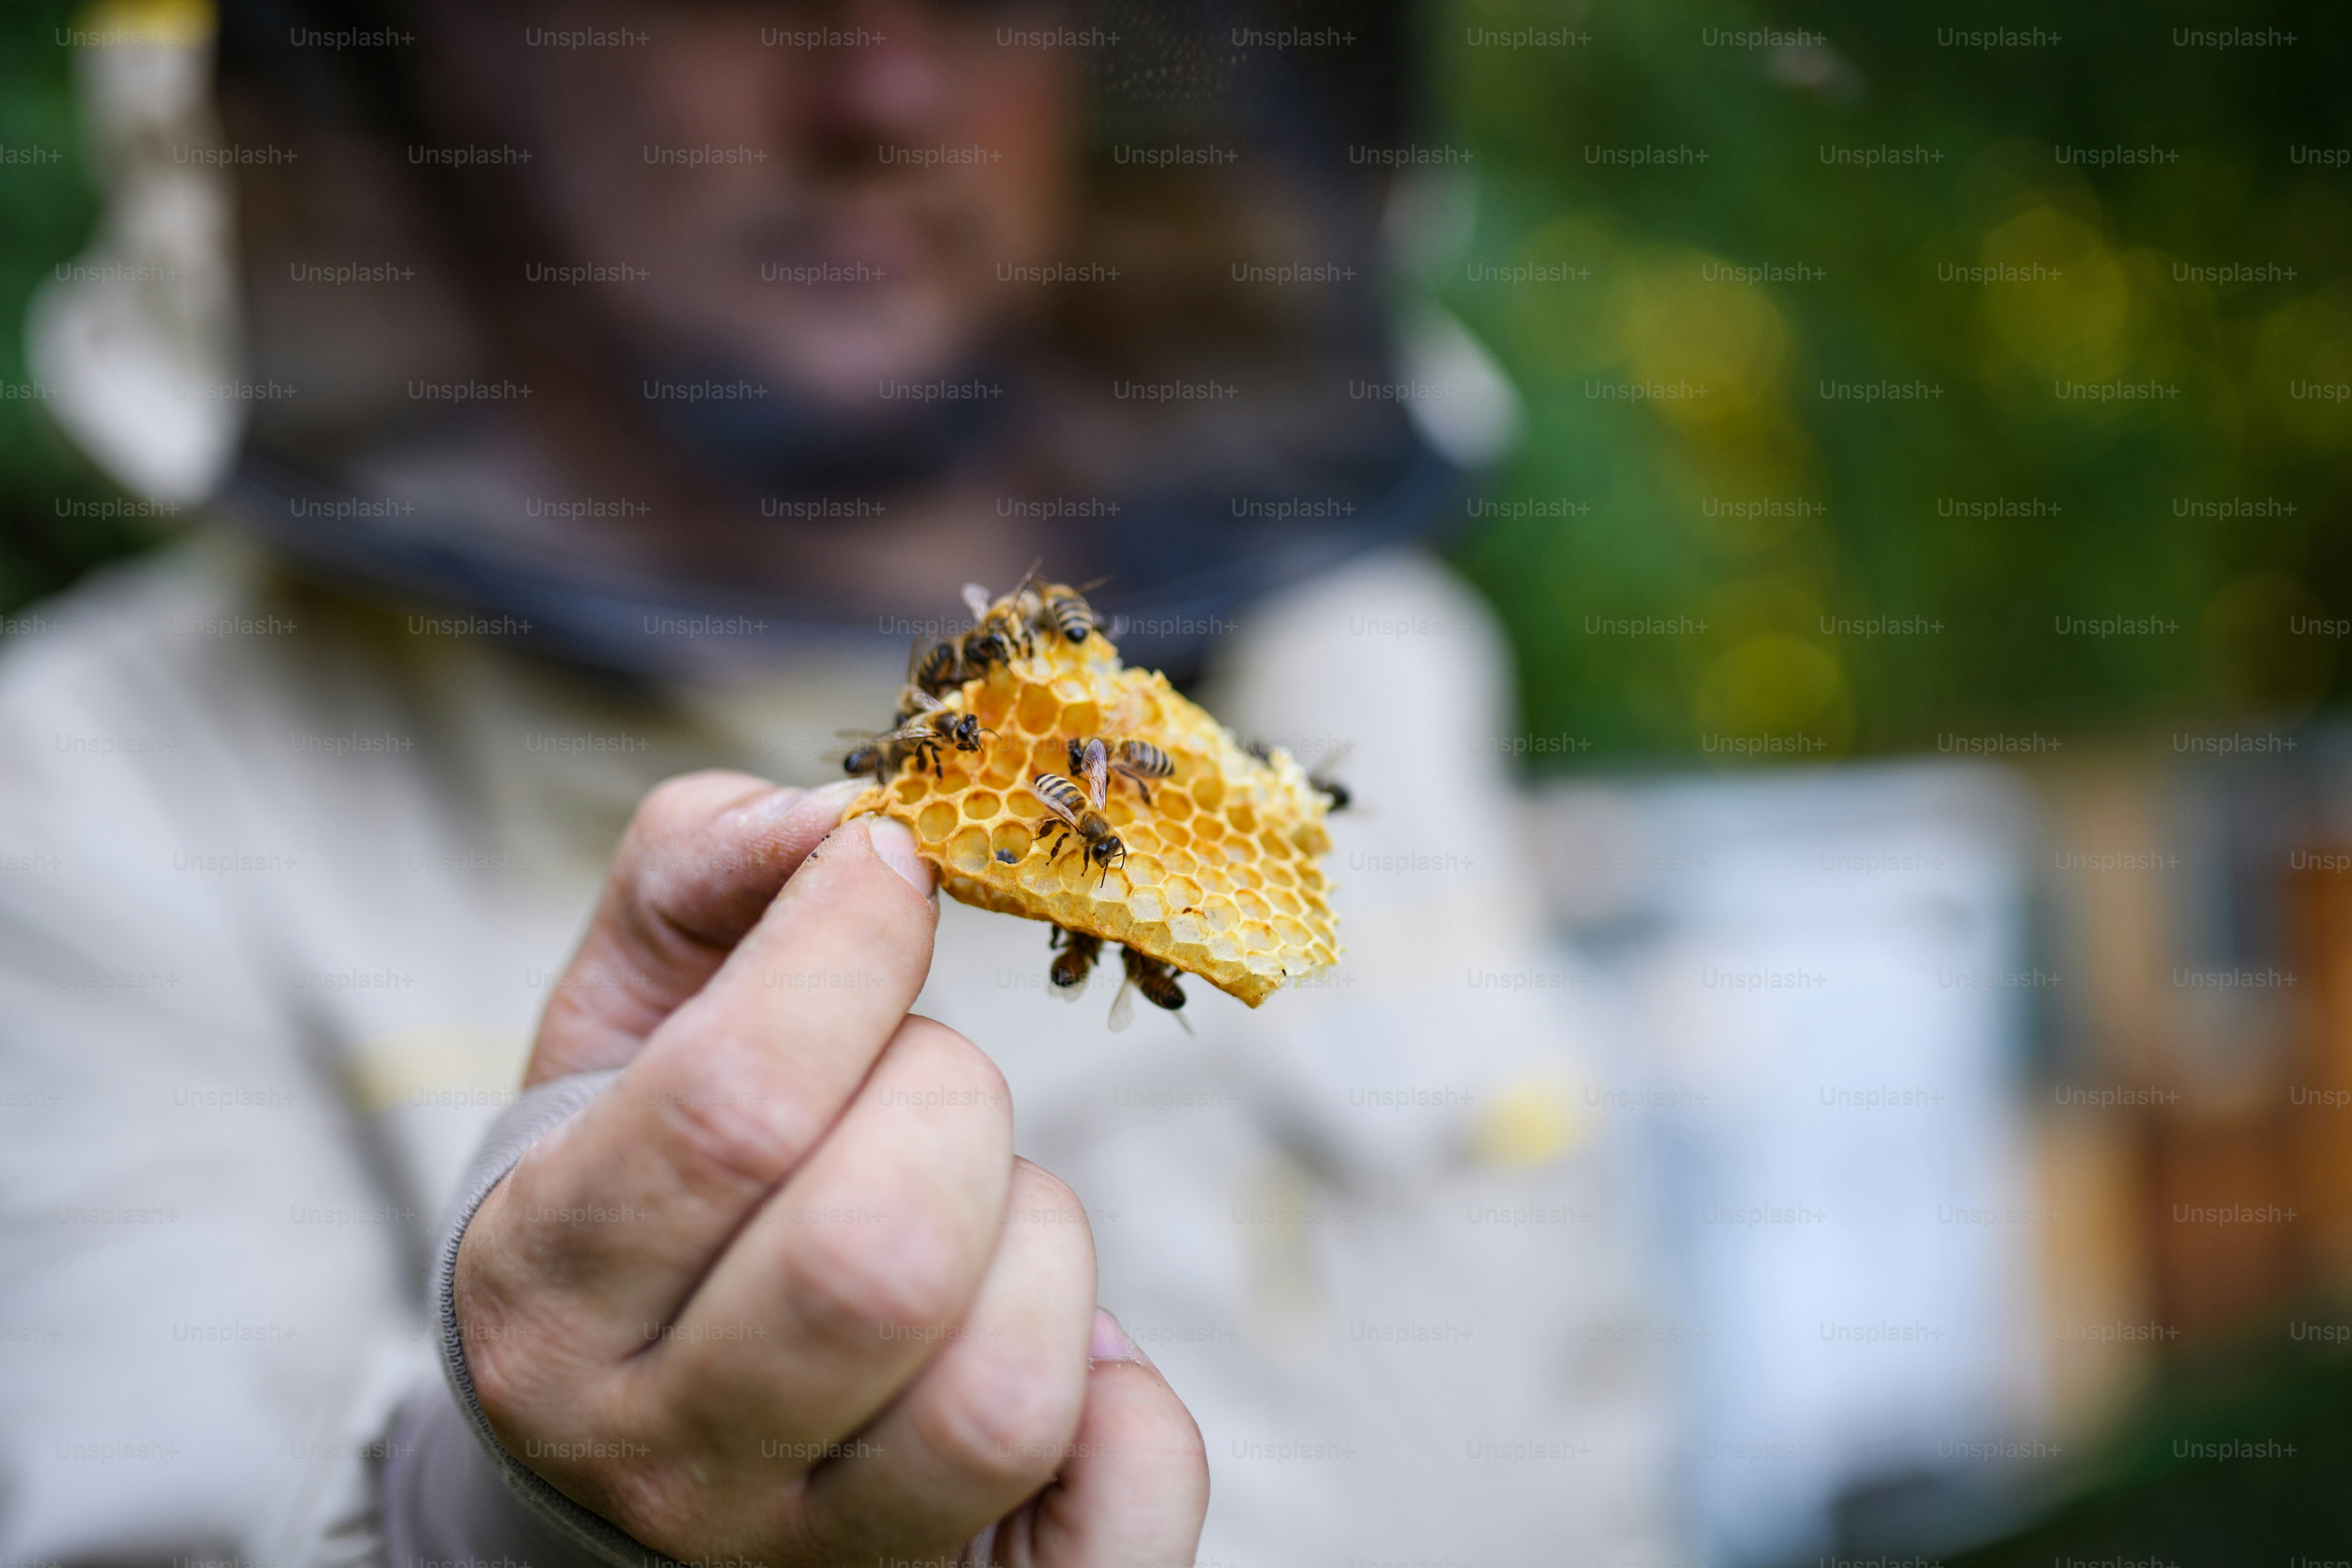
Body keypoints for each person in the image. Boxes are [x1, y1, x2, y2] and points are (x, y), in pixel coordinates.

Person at [2, 3, 1678, 1564]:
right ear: (437, 61)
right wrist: (514, 1519)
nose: (883, 89)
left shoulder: (1364, 660)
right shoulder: (97, 791)